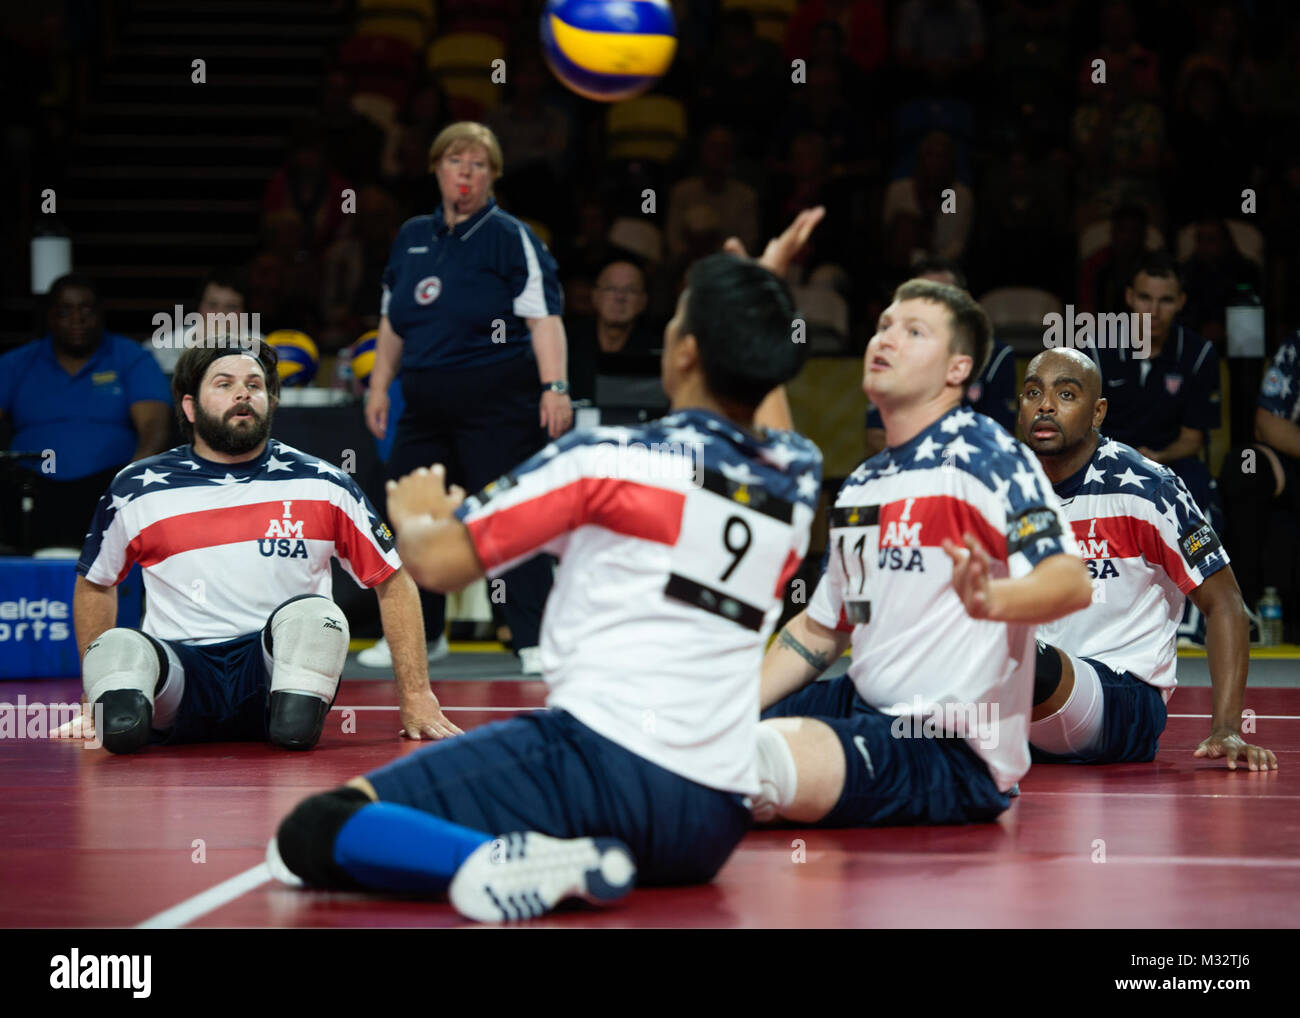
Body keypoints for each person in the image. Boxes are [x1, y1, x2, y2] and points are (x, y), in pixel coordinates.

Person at [268, 212, 825, 923]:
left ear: (686, 352)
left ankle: (496, 865)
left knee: (310, 832)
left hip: (594, 769)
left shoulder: (605, 461)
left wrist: (417, 514)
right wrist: (759, 292)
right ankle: (565, 859)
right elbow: (765, 408)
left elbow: (436, 566)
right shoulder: (796, 475)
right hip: (711, 818)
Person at [748, 279, 1093, 828]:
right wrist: (731, 703)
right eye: (884, 326)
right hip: (860, 705)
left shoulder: (988, 458)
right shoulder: (862, 484)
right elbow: (821, 630)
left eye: (914, 332)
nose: (886, 339)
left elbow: (1071, 583)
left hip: (945, 747)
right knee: (696, 726)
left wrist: (993, 599)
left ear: (957, 369)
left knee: (756, 761)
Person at [65, 342, 460, 753]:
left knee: (316, 618)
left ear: (271, 402)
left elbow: (393, 581)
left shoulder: (323, 483)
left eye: (255, 385)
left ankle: (292, 719)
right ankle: (113, 712)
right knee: (116, 650)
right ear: (190, 407)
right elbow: (95, 582)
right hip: (178, 680)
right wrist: (92, 697)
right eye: (225, 384)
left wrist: (417, 696)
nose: (243, 393)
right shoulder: (136, 487)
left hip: (276, 675)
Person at [361, 122, 570, 674]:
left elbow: (545, 319)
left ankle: (533, 638)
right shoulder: (411, 237)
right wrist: (379, 386)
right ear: (436, 168)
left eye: (479, 165)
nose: (466, 173)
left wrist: (555, 387)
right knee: (411, 513)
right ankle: (421, 635)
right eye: (456, 161)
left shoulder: (510, 236)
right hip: (423, 406)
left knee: (507, 512)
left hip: (498, 404)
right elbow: (392, 322)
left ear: (493, 176)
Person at [1018, 347, 1276, 770]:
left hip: (1123, 701)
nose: (1045, 405)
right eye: (1033, 393)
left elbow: (1225, 603)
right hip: (1033, 697)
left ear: (1098, 412)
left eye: (1065, 394)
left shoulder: (1149, 489)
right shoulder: (1005, 490)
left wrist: (1227, 727)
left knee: (1017, 656)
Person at [0, 274, 171, 551]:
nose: (77, 319)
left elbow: (155, 428)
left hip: (108, 485)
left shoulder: (130, 357)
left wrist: (131, 482)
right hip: (29, 486)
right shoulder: (17, 363)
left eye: (86, 309)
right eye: (65, 310)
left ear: (100, 314)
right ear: (50, 317)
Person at [1088, 252, 1223, 532]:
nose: (1153, 311)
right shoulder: (1096, 349)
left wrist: (1157, 458)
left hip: (1172, 463)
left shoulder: (1198, 354)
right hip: (1105, 461)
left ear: (1181, 302)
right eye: (1145, 298)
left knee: (1199, 491)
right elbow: (1083, 428)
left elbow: (1192, 439)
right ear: (1129, 297)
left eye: (1166, 300)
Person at [865, 258, 1014, 456]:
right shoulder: (894, 352)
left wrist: (942, 465)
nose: (885, 340)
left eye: (939, 297)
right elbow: (875, 435)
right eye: (884, 327)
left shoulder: (997, 354)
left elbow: (1001, 438)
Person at [1218, 330, 1300, 641]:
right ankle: (1246, 611)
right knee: (1245, 463)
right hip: (1293, 458)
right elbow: (1267, 423)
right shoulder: (1297, 343)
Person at [566, 258, 658, 403]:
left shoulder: (656, 350)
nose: (620, 297)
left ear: (643, 301)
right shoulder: (566, 343)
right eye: (611, 288)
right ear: (595, 296)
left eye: (630, 290)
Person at [150, 269, 258, 376]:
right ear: (199, 307)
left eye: (231, 307)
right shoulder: (162, 348)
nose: (219, 315)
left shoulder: (262, 347)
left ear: (244, 312)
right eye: (212, 305)